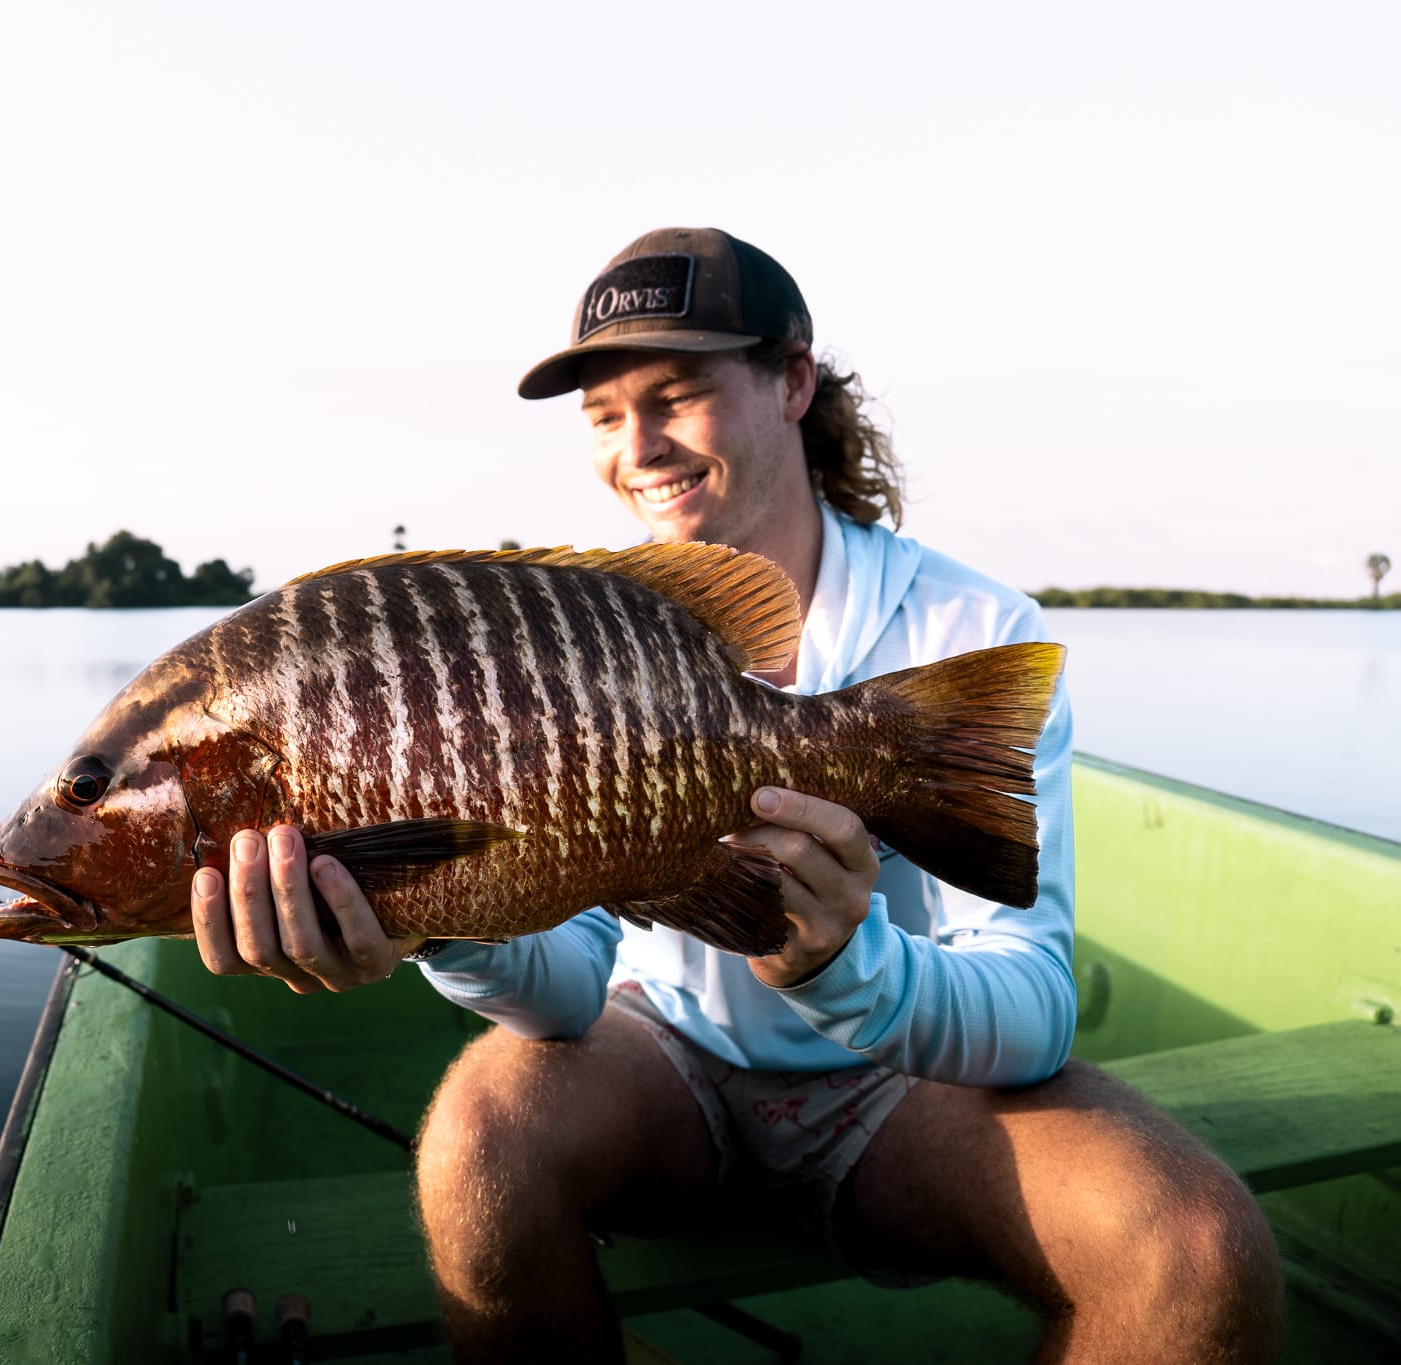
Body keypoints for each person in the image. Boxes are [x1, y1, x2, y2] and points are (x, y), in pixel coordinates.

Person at [188, 228, 1282, 1363]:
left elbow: (1032, 1010)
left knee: (1196, 1251)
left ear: (791, 381)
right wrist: (438, 921)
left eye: (675, 396)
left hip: (898, 1093)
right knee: (473, 1146)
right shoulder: (573, 639)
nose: (638, 448)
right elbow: (565, 997)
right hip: (657, 1058)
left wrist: (841, 964)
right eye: (604, 417)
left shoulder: (971, 634)